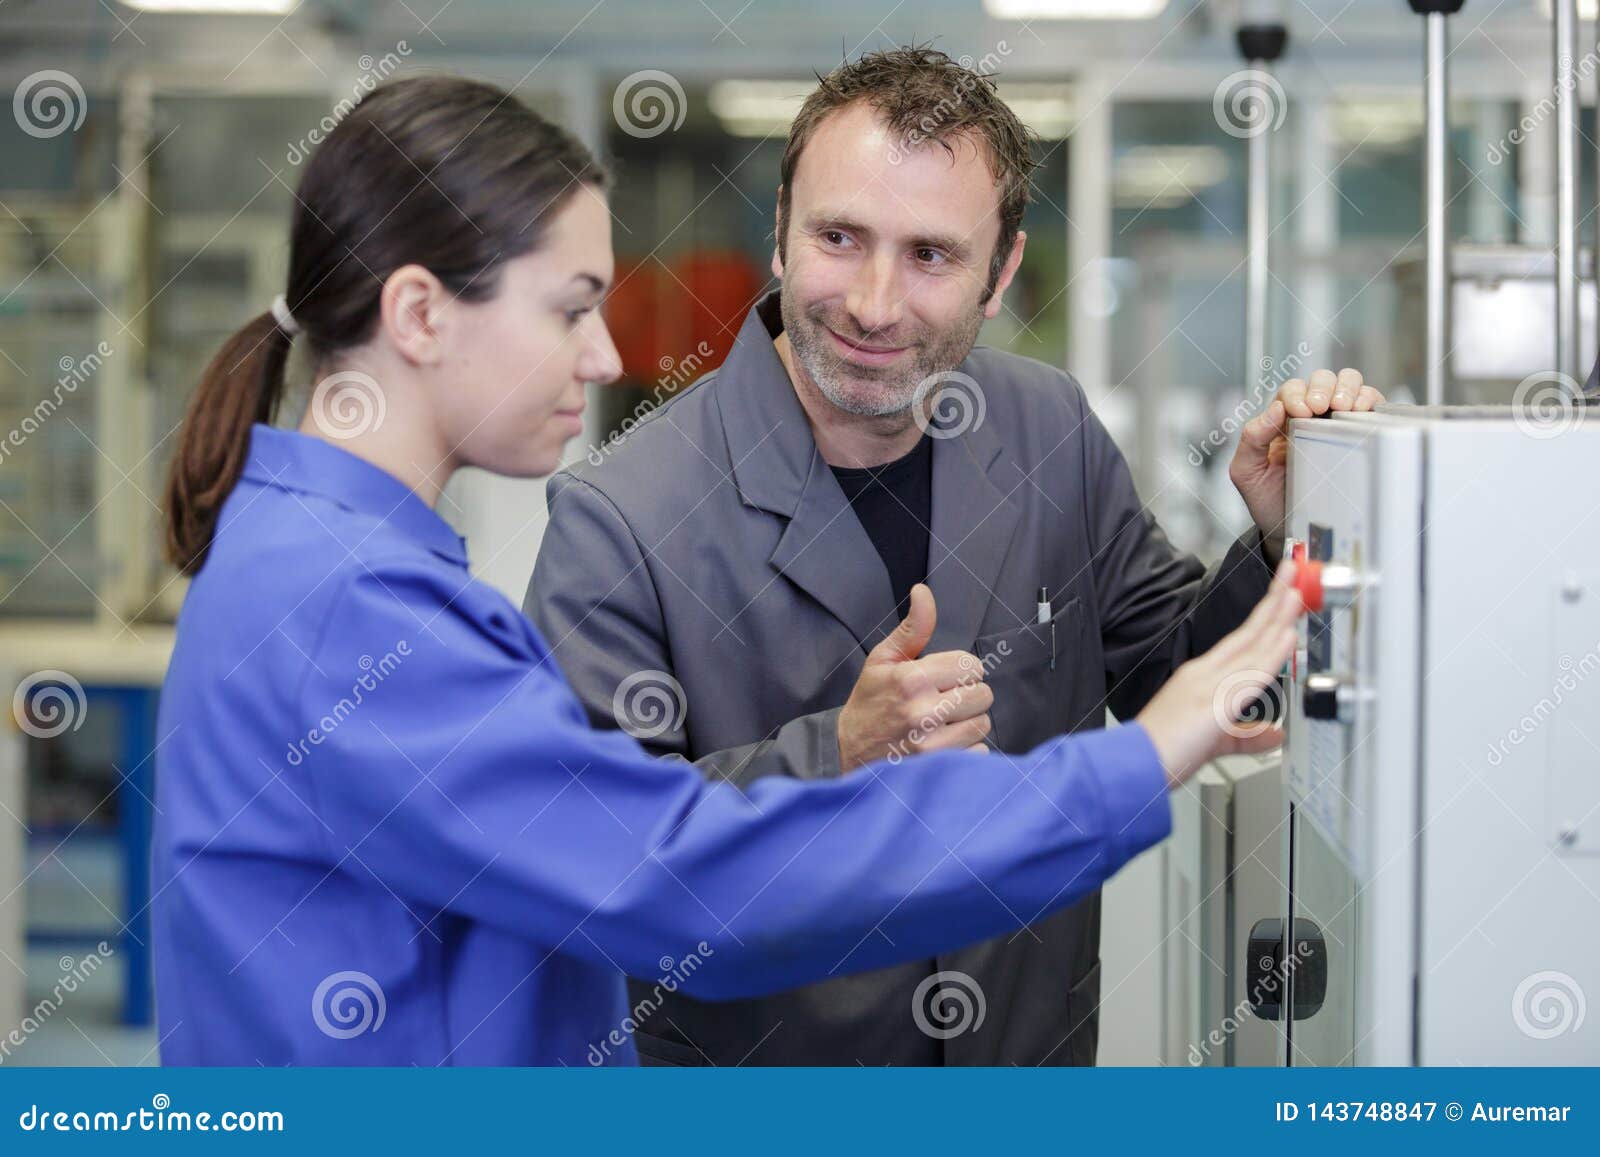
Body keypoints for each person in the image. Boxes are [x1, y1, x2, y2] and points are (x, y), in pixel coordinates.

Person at [152, 74, 1303, 1067]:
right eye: (571, 308)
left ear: (997, 273)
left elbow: (1172, 657)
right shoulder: (369, 600)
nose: (605, 354)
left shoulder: (332, 561)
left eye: (931, 254)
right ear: (416, 313)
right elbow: (666, 873)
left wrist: (1261, 562)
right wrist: (1128, 765)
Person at [525, 45, 1381, 1066]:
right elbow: (594, 869)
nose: (876, 304)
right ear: (782, 235)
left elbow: (1186, 683)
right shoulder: (620, 514)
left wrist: (1277, 532)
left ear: (1001, 270)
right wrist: (833, 750)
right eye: (840, 237)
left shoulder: (1046, 429)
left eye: (931, 254)